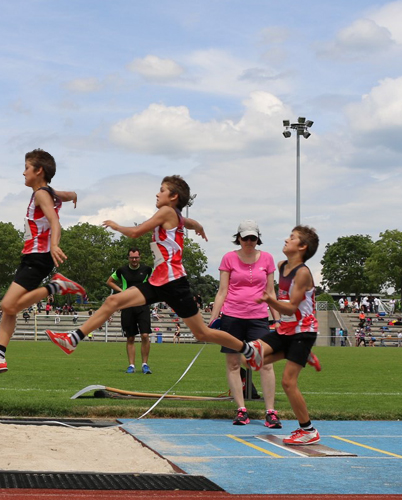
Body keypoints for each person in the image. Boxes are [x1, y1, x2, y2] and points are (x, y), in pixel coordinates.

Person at [45, 175, 251, 359]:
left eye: (162, 190)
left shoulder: (166, 212)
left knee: (202, 333)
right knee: (113, 301)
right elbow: (189, 222)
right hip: (158, 281)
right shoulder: (176, 216)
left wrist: (117, 226)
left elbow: (136, 232)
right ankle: (73, 339)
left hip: (174, 282)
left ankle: (249, 350)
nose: (157, 193)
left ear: (174, 197)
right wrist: (198, 227)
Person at [0, 149, 82, 375]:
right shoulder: (49, 191)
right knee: (10, 311)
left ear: (38, 170)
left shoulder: (42, 194)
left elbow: (54, 222)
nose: (23, 173)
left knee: (7, 305)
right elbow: (66, 193)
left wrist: (53, 245)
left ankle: (56, 286)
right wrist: (72, 195)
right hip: (31, 256)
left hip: (39, 256)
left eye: (26, 168)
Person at [243, 226, 323, 445]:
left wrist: (269, 300)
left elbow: (290, 308)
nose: (286, 240)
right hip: (285, 330)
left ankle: (308, 430)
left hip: (303, 332)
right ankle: (301, 355)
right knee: (248, 359)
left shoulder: (303, 273)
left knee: (288, 382)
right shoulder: (281, 266)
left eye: (292, 238)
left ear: (302, 247)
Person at [207, 220, 280, 428]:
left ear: (258, 238)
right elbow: (222, 290)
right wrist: (213, 319)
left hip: (258, 317)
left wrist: (277, 320)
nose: (249, 241)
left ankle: (271, 412)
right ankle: (241, 409)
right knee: (233, 364)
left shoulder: (267, 258)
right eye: (245, 237)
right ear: (238, 237)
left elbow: (270, 292)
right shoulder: (229, 258)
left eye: (253, 238)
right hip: (232, 316)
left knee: (266, 364)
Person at [107, 247, 153, 374]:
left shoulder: (147, 270)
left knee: (145, 335)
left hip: (142, 304)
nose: (134, 259)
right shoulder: (122, 270)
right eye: (132, 257)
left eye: (136, 257)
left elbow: (158, 279)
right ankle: (131, 366)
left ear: (140, 257)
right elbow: (109, 281)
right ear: (128, 258)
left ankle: (145, 364)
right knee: (130, 338)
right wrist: (122, 292)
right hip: (127, 306)